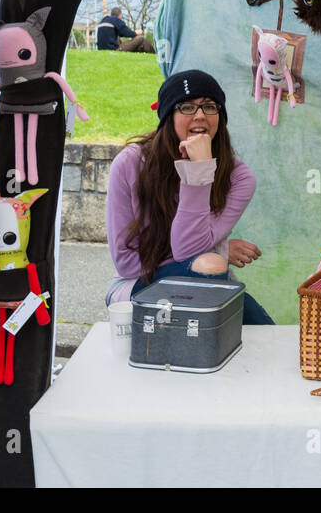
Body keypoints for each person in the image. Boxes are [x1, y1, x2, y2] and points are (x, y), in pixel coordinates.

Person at [105, 69, 273, 324]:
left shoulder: (239, 177)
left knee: (262, 334)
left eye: (209, 106)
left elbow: (189, 250)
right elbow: (127, 263)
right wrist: (220, 249)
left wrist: (201, 170)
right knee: (212, 263)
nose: (200, 115)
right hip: (135, 287)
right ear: (168, 116)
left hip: (205, 281)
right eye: (186, 107)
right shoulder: (130, 164)